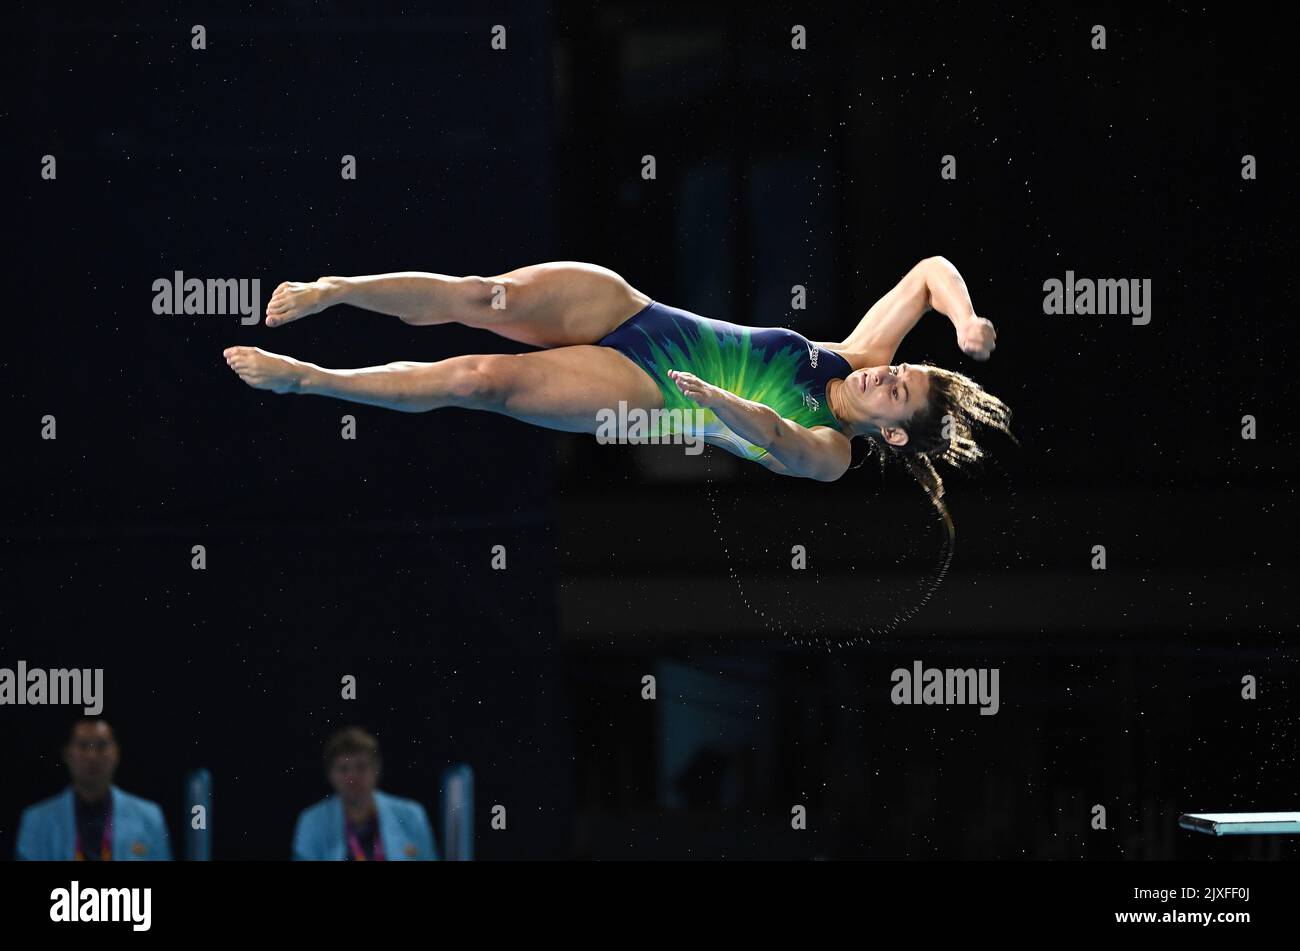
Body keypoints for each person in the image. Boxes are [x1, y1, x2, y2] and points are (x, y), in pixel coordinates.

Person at [224, 258, 1012, 519]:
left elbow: (777, 439)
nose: (884, 372)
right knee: (480, 296)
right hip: (633, 310)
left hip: (648, 392)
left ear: (896, 431)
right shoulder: (857, 351)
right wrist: (966, 321)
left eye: (895, 391)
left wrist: (721, 405)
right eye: (902, 367)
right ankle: (335, 288)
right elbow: (927, 272)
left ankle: (312, 380)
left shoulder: (837, 452)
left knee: (481, 379)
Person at [16, 718, 172, 861]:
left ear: (117, 752)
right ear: (67, 754)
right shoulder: (36, 820)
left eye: (101, 746)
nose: (92, 756)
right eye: (83, 746)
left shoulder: (150, 817)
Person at [292, 727, 438, 861]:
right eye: (343, 769)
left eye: (361, 767)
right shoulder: (312, 821)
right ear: (330, 774)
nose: (352, 777)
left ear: (376, 769)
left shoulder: (411, 814)